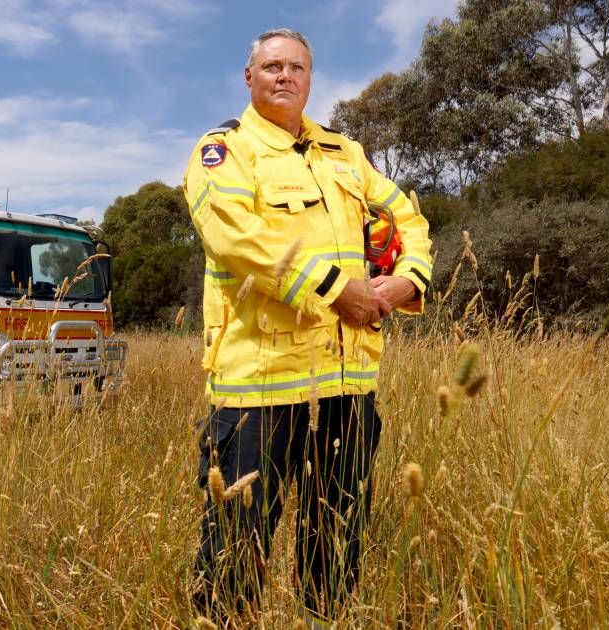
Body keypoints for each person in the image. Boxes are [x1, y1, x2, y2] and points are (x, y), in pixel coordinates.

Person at [183, 28, 433, 622]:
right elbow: (234, 238)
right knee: (235, 555)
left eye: (296, 67)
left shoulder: (345, 154)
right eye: (272, 66)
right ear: (250, 77)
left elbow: (409, 217)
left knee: (338, 547)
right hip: (259, 389)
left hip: (347, 387)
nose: (284, 76)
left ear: (310, 79)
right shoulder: (223, 150)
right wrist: (334, 291)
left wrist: (406, 282)